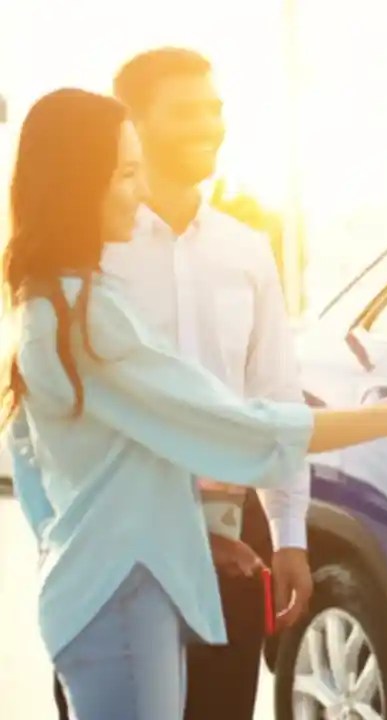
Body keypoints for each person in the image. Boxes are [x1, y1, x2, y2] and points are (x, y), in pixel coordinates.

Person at [3, 87, 387, 720]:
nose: (139, 192)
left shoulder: (53, 304)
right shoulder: (89, 319)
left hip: (106, 592)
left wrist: (181, 534)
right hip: (120, 604)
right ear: (78, 181)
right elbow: (234, 427)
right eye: (125, 173)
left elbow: (54, 470)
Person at [59, 47, 311, 720]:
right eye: (187, 112)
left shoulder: (247, 249)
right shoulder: (88, 252)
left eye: (215, 109)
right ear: (133, 124)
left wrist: (289, 533)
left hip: (234, 550)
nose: (210, 125)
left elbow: (275, 397)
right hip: (117, 551)